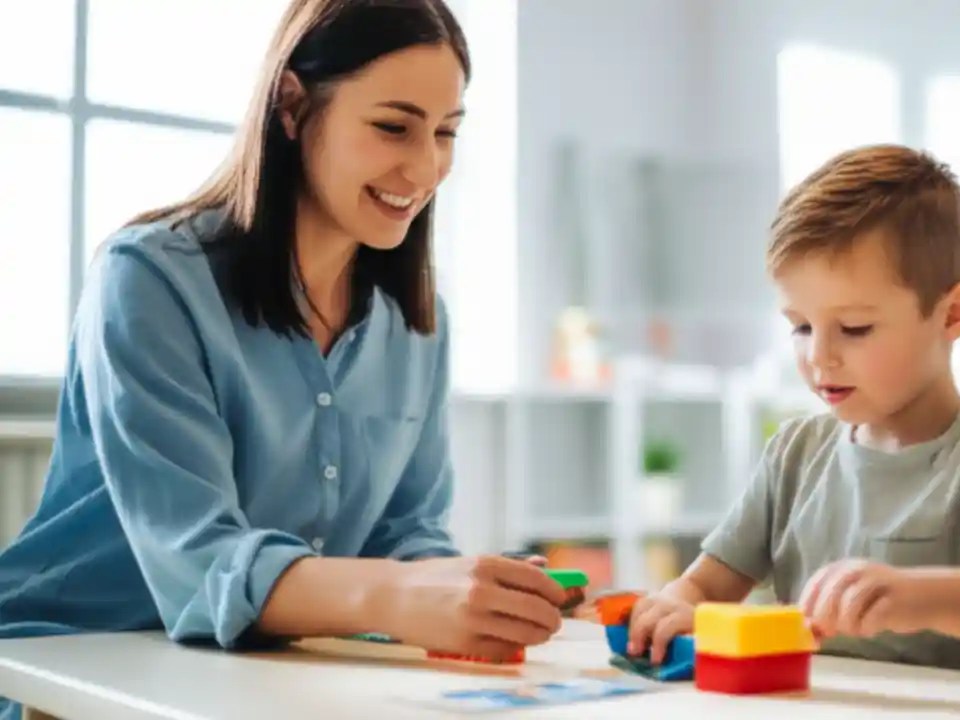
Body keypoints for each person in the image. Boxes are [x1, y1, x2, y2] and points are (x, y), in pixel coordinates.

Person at [0, 2, 565, 715]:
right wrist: (402, 595)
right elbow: (198, 562)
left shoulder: (419, 324)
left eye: (446, 133)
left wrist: (479, 593)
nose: (426, 168)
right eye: (393, 126)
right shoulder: (149, 279)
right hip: (72, 668)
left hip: (262, 678)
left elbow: (403, 534)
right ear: (293, 107)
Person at [627, 145, 960, 677]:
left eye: (854, 328)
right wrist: (677, 602)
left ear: (953, 314)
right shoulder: (795, 455)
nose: (818, 356)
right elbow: (704, 586)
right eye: (801, 326)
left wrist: (919, 597)